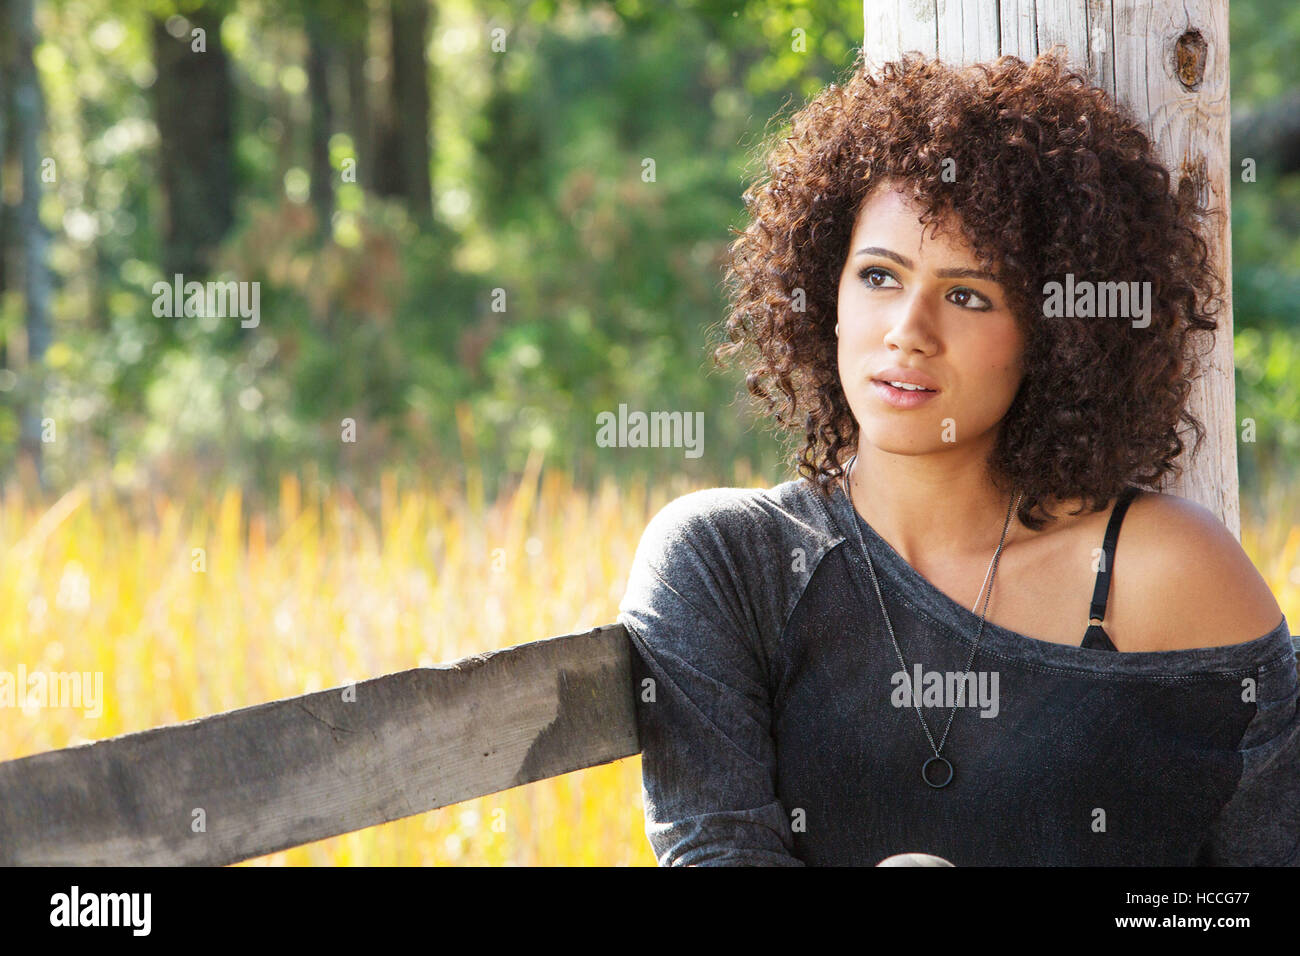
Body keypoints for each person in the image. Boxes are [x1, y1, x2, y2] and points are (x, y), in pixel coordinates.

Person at [617, 51, 1300, 866]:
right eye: (877, 276)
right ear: (823, 292)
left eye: (969, 294)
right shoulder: (730, 563)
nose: (908, 328)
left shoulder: (1170, 573)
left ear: (1056, 339)